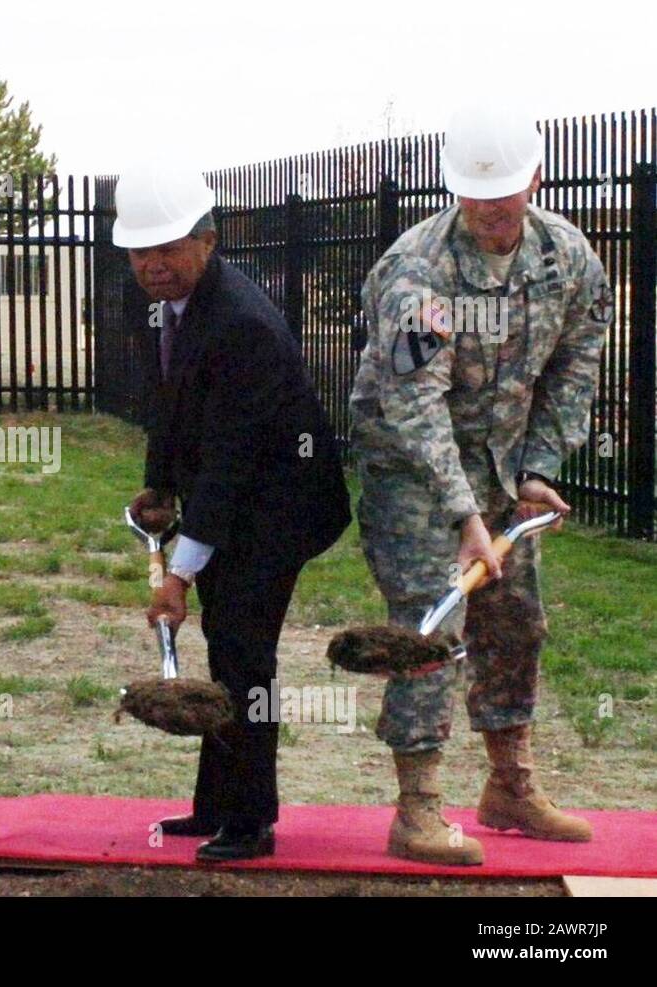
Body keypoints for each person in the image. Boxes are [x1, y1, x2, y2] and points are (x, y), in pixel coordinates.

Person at [350, 103, 611, 865]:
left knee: (515, 620)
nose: (495, 212)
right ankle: (418, 810)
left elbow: (577, 358)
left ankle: (509, 786)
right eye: (477, 197)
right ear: (453, 188)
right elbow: (412, 398)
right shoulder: (418, 271)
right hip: (413, 469)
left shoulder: (565, 257)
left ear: (537, 176)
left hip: (504, 464)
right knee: (432, 627)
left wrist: (538, 470)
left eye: (508, 195)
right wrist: (463, 512)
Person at [120, 164, 351, 861]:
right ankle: (216, 803)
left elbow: (229, 463)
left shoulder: (242, 325)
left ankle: (251, 819)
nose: (152, 265)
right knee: (226, 648)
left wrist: (179, 576)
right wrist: (158, 486)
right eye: (139, 252)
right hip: (234, 495)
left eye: (167, 249)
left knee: (245, 655)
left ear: (208, 241)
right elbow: (170, 403)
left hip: (281, 504)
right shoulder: (171, 304)